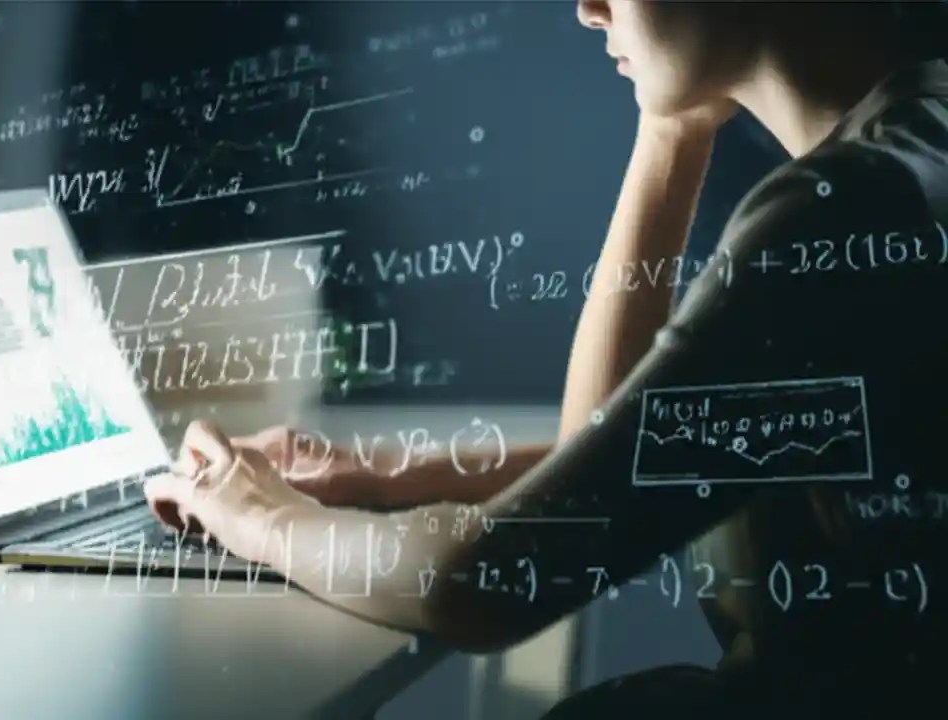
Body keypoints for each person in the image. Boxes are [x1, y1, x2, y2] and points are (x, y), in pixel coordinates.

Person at [145, 2, 948, 717]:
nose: (588, 10)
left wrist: (258, 517)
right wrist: (390, 477)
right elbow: (610, 454)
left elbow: (485, 584)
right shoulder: (913, 144)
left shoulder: (846, 209)